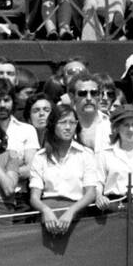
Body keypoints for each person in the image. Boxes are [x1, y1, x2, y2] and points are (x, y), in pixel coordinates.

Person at [28, 100, 98, 234]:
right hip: (48, 216)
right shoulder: (40, 156)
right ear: (53, 125)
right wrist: (45, 210)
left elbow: (90, 193)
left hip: (77, 214)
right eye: (63, 122)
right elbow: (34, 197)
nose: (68, 127)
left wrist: (71, 211)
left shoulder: (86, 154)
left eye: (72, 123)